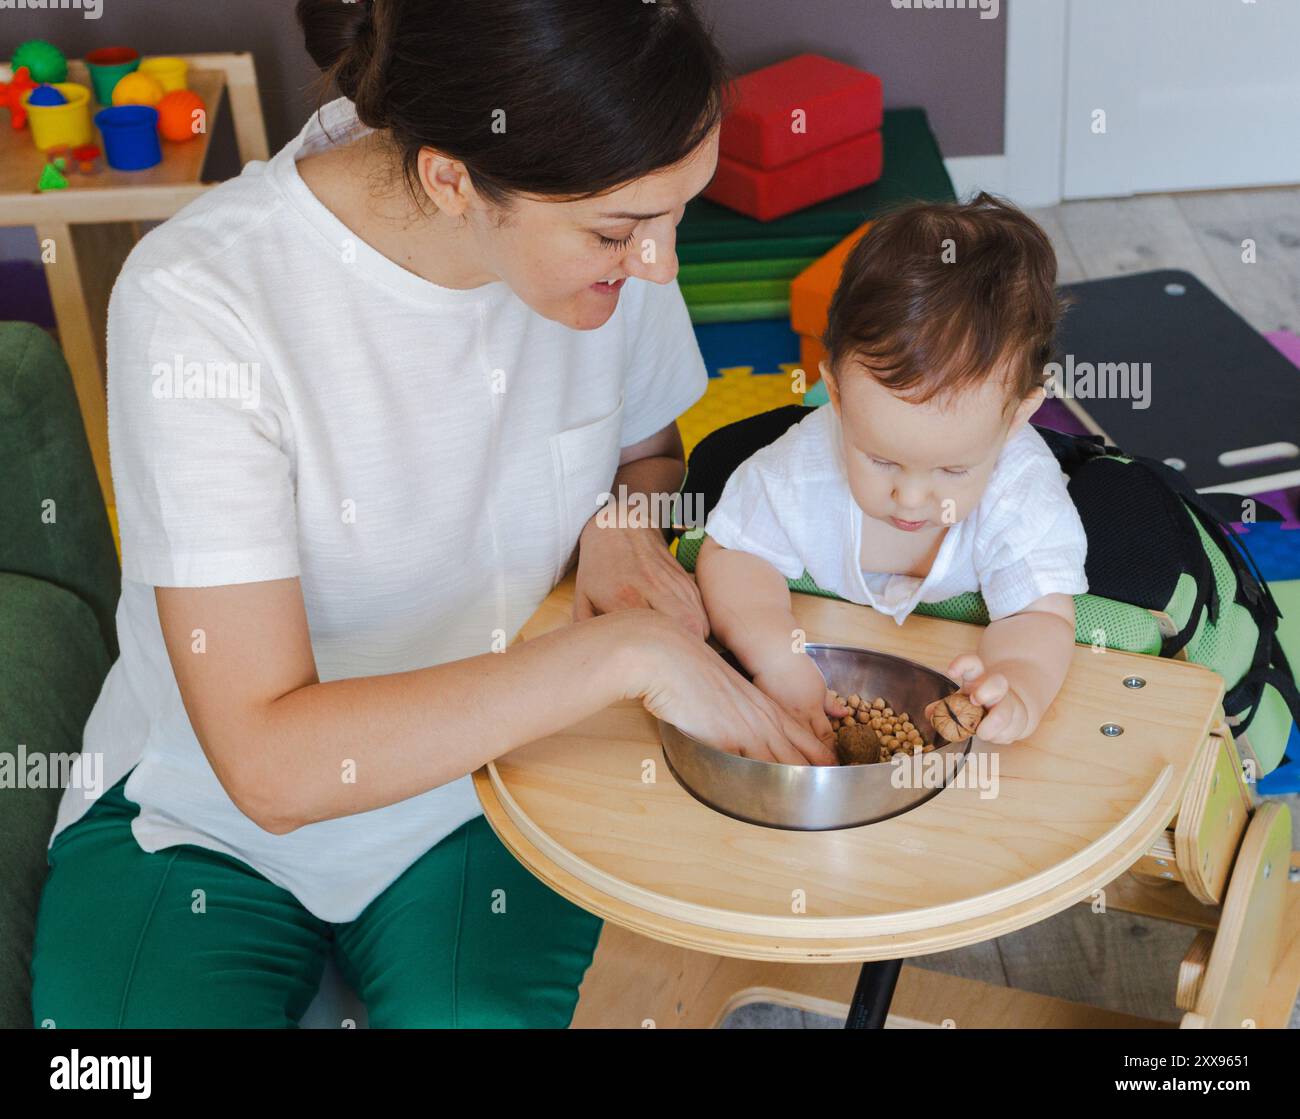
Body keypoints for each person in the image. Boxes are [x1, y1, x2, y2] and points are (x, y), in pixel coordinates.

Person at [30, 0, 828, 1031]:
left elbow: (648, 455)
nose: (660, 264)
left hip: (497, 783)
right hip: (205, 813)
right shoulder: (201, 303)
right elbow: (268, 766)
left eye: (677, 214)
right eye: (619, 231)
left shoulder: (616, 236)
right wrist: (626, 654)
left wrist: (619, 522)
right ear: (452, 178)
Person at [696, 194, 1089, 752]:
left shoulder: (1021, 492)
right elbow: (733, 556)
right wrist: (779, 661)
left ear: (1017, 418)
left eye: (953, 469)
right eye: (881, 461)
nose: (910, 497)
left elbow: (1040, 614)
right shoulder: (803, 467)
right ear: (836, 395)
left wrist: (1017, 684)